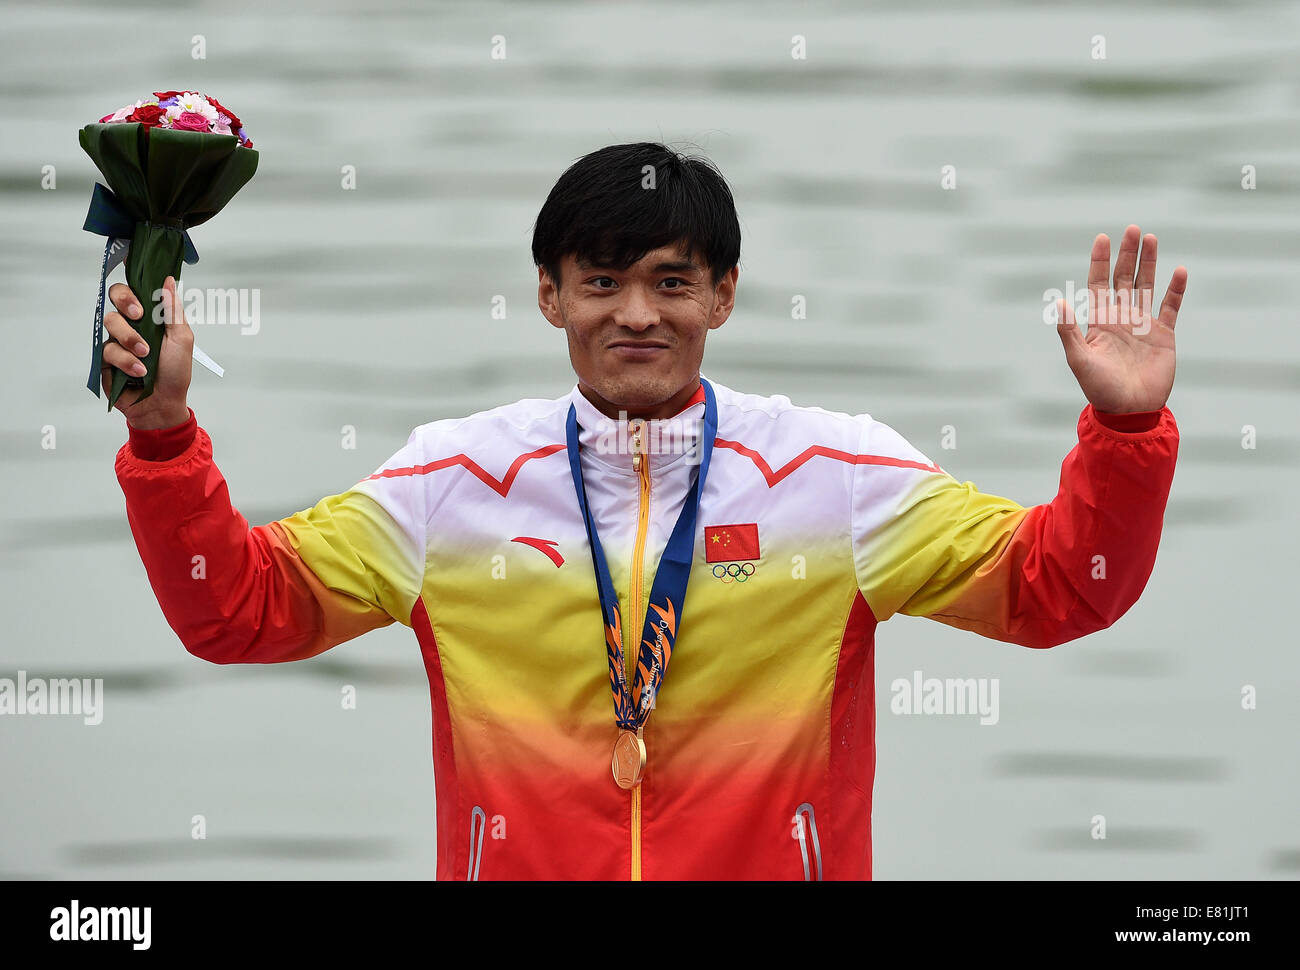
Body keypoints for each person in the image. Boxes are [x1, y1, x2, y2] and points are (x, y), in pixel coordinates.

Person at [100, 142, 1185, 880]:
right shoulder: (451, 485)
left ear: (723, 295)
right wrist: (163, 437)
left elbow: (1063, 592)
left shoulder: (836, 474)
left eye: (672, 282)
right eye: (601, 279)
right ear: (548, 295)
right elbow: (234, 612)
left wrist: (1126, 437)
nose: (635, 313)